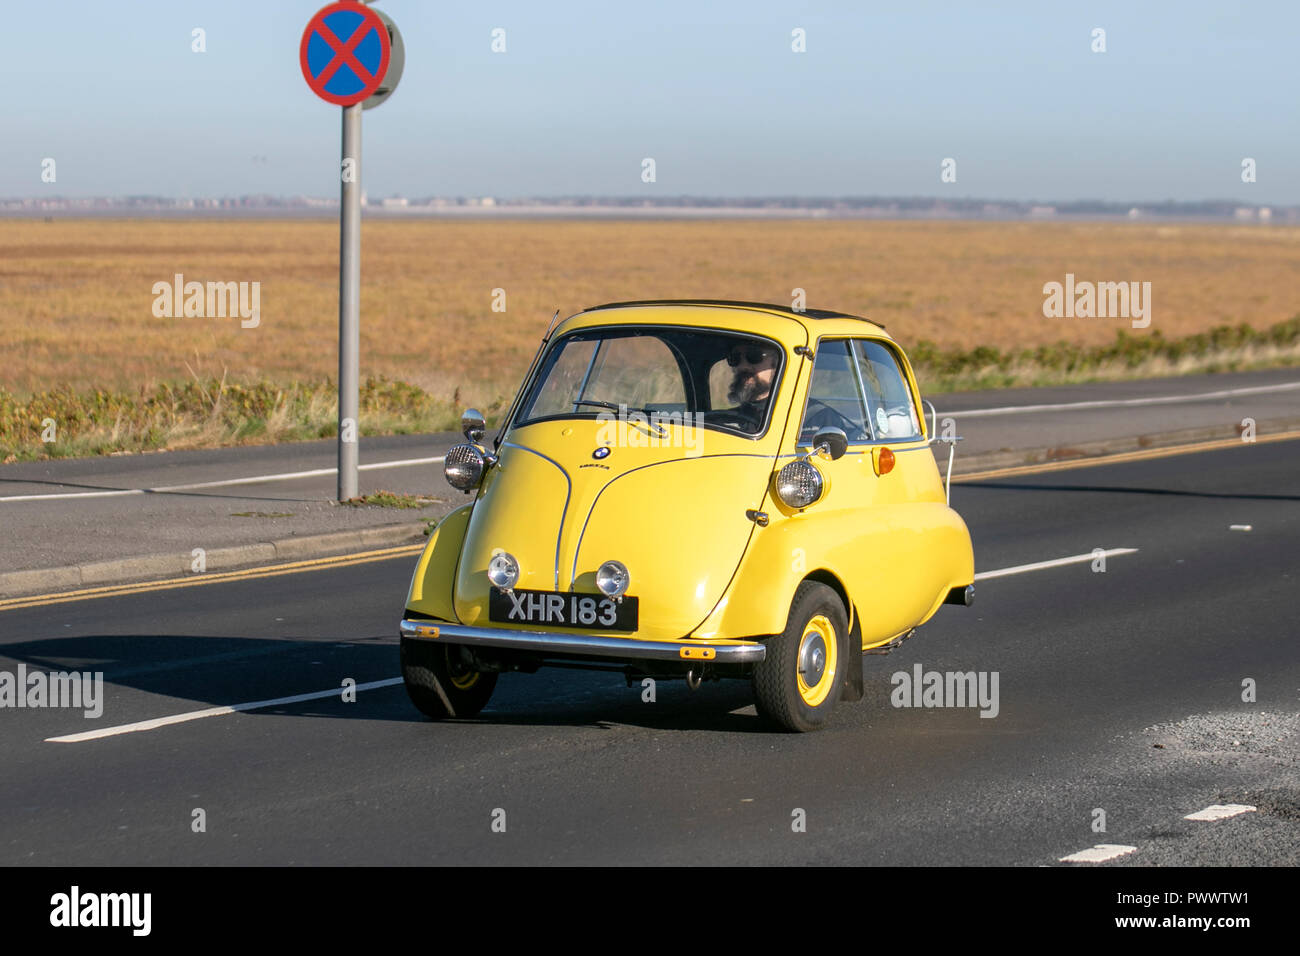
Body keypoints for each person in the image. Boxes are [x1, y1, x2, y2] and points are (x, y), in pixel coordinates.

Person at [724, 342, 779, 430]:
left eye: (754, 356)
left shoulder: (803, 416)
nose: (743, 366)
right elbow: (699, 441)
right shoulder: (722, 420)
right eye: (735, 358)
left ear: (777, 363)